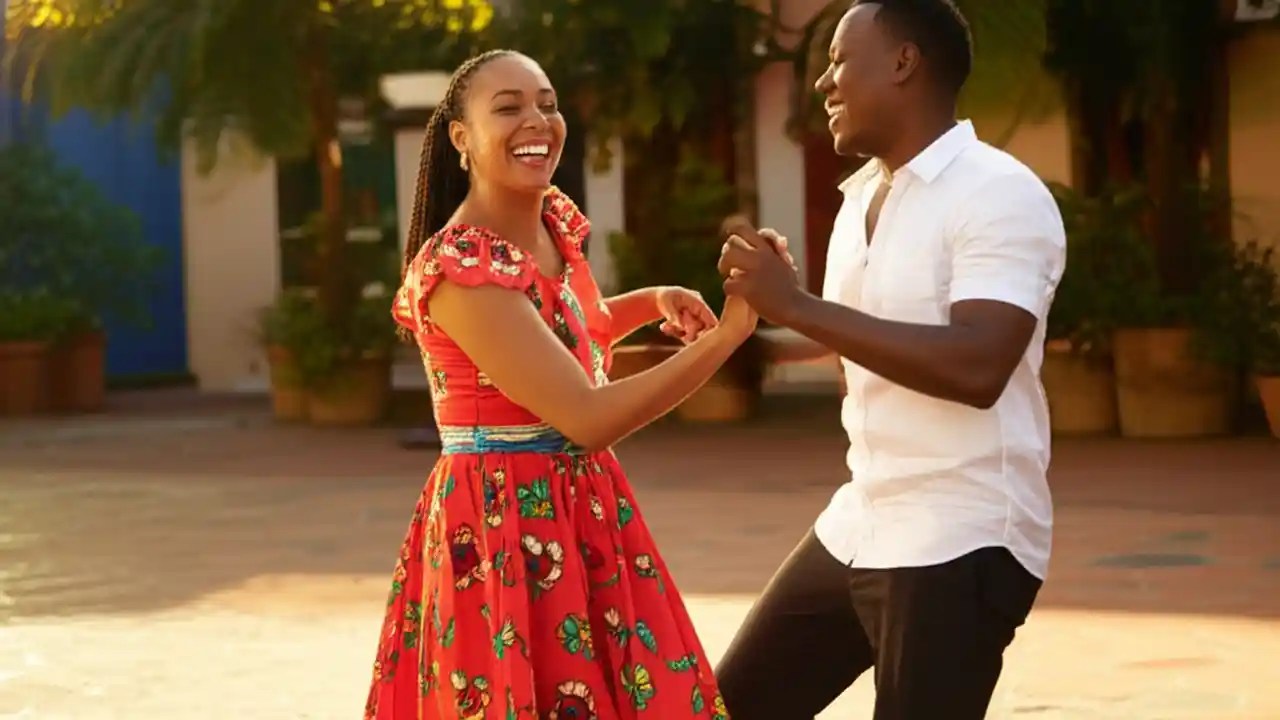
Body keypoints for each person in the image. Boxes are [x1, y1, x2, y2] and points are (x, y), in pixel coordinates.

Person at [364, 49, 758, 720]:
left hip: (580, 510)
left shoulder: (549, 227)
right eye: (508, 107)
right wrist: (725, 340)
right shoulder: (462, 268)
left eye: (546, 103)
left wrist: (654, 300)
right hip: (503, 526)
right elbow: (586, 414)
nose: (537, 121)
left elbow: (581, 328)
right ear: (461, 137)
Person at [713, 1, 1067, 718]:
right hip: (862, 518)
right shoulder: (862, 198)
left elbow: (978, 367)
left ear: (904, 63)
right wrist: (747, 328)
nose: (824, 84)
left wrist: (801, 305)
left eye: (841, 61)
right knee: (726, 707)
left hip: (960, 534)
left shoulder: (998, 193)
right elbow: (861, 348)